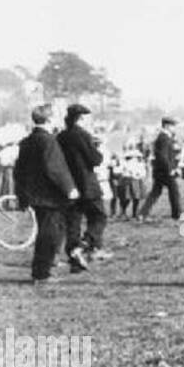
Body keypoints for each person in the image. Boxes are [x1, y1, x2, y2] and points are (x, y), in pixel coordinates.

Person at [13, 105, 80, 283]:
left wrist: (22, 195)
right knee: (51, 235)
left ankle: (42, 270)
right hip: (50, 198)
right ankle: (42, 273)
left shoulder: (27, 141)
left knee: (46, 233)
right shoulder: (48, 141)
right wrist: (69, 188)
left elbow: (18, 171)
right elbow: (55, 168)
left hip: (35, 196)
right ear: (50, 119)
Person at [57, 103, 110, 265]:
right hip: (87, 185)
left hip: (69, 185)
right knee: (99, 216)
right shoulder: (83, 135)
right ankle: (84, 245)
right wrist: (97, 146)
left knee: (73, 221)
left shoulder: (61, 136)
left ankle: (74, 254)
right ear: (81, 118)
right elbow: (95, 159)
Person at [140, 117, 182, 221]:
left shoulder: (164, 137)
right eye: (173, 126)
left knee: (155, 192)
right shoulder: (164, 137)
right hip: (165, 171)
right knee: (174, 191)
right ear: (167, 126)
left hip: (160, 170)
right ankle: (176, 214)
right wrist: (170, 169)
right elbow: (163, 156)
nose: (175, 128)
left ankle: (142, 214)